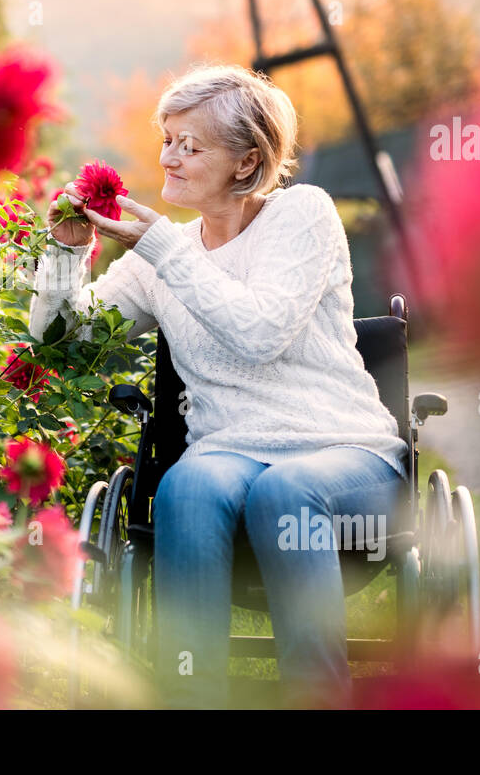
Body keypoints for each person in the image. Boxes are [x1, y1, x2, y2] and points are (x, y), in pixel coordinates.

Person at [27, 64, 408, 708]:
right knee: (187, 486)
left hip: (344, 453)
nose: (167, 158)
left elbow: (260, 332)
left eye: (189, 144)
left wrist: (162, 253)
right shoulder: (165, 254)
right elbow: (67, 340)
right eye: (167, 139)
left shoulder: (303, 216)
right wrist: (67, 252)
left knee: (285, 490)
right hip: (227, 454)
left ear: (245, 161)